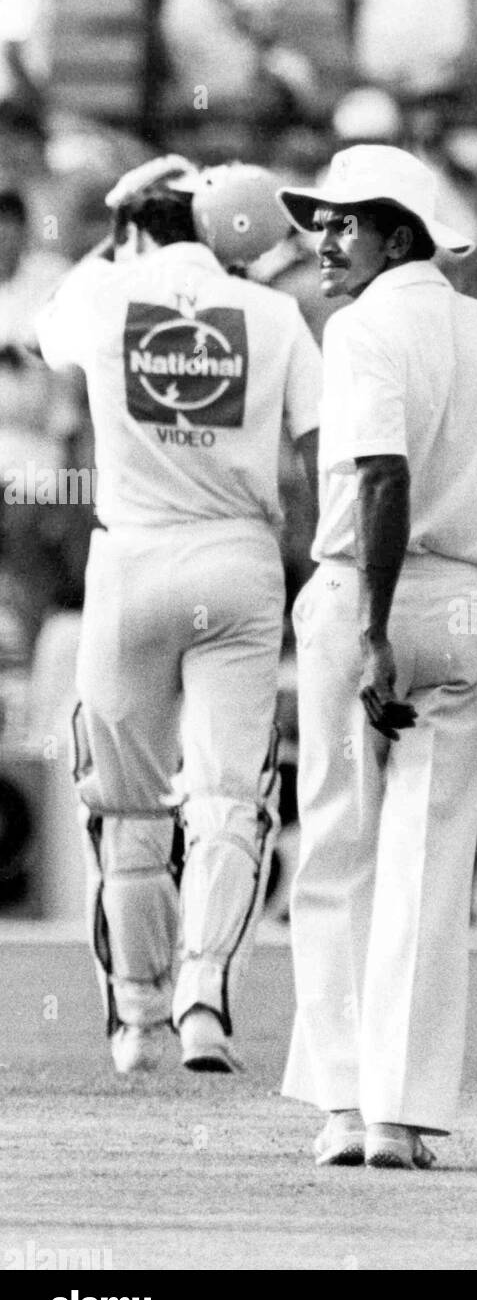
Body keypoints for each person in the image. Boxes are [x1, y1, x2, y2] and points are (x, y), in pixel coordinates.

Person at [34, 156, 322, 1075]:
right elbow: (323, 451)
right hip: (238, 558)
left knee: (123, 805)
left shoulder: (105, 293)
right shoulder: (277, 317)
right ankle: (204, 998)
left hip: (131, 558)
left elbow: (47, 333)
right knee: (231, 797)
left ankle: (137, 1019)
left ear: (136, 226)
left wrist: (113, 225)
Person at [276, 144, 477, 1169]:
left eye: (344, 224)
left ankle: (344, 1103)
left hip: (364, 592)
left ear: (401, 236)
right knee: (428, 865)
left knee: (338, 847)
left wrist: (375, 626)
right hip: (467, 599)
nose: (323, 242)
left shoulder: (362, 327)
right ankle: (399, 1112)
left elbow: (382, 478)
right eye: (320, 223)